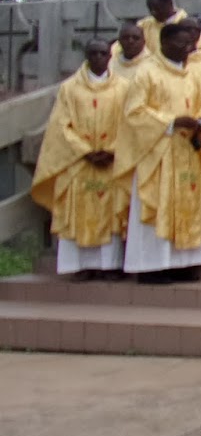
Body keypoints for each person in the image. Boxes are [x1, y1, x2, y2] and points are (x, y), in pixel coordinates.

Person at [116, 23, 201, 282]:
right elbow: (134, 113)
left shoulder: (193, 73)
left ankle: (185, 263)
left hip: (189, 150)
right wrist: (172, 121)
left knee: (190, 202)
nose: (187, 49)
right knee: (160, 204)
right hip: (159, 151)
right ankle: (153, 267)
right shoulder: (146, 73)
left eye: (189, 44)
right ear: (164, 43)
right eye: (181, 44)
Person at [32, 39, 127, 278]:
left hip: (111, 162)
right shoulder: (69, 88)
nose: (98, 58)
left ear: (110, 56)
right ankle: (81, 266)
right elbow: (60, 126)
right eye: (92, 53)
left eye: (103, 53)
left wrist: (111, 149)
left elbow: (130, 124)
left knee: (110, 209)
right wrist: (85, 150)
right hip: (79, 163)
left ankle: (109, 265)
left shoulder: (124, 87)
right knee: (77, 211)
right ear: (86, 56)